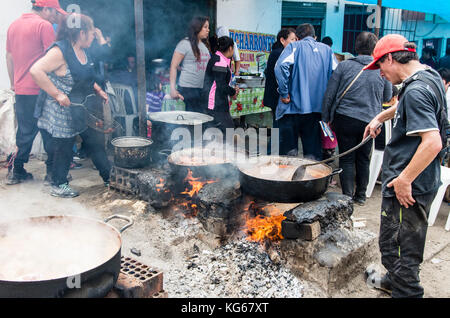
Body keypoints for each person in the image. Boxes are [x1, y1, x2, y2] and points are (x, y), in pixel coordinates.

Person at [363, 34, 446, 298]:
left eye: (380, 66)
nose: (381, 74)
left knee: (397, 248)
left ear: (390, 57)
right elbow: (404, 105)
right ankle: (392, 281)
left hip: (409, 187)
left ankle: (406, 291)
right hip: (425, 180)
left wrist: (403, 180)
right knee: (405, 245)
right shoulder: (428, 75)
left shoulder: (417, 90)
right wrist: (380, 116)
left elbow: (432, 143)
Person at [30, 13, 111, 198]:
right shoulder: (60, 51)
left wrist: (98, 89)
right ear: (81, 33)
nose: (93, 36)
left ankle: (109, 177)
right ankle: (59, 184)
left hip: (80, 104)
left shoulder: (83, 49)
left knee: (94, 141)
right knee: (64, 146)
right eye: (91, 33)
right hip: (61, 108)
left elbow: (84, 74)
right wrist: (58, 94)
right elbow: (36, 71)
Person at [322, 32, 393, 205]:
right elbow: (388, 95)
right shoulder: (381, 68)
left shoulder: (344, 66)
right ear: (374, 49)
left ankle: (347, 197)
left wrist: (325, 117)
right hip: (369, 121)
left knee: (346, 158)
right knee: (363, 158)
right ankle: (361, 196)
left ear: (356, 47)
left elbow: (330, 94)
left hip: (344, 118)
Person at [5, 0, 63, 185]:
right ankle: (52, 174)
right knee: (49, 131)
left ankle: (16, 171)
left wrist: (14, 83)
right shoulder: (43, 25)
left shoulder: (13, 25)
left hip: (22, 89)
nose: (55, 17)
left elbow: (9, 56)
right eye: (54, 13)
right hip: (41, 88)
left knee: (24, 132)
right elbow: (52, 57)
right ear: (45, 9)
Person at [274, 23, 334, 160]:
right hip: (316, 111)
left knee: (288, 155)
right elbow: (336, 75)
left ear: (298, 37)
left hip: (291, 109)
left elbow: (280, 66)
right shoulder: (328, 50)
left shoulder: (294, 47)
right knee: (312, 153)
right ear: (315, 37)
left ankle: (287, 180)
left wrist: (284, 93)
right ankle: (312, 181)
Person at [170, 16, 211, 113]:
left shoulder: (204, 45)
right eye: (205, 27)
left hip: (201, 88)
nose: (208, 30)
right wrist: (172, 89)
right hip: (188, 88)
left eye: (208, 27)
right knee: (194, 119)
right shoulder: (184, 44)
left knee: (199, 118)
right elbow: (173, 66)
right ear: (197, 27)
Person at [202, 36, 239, 135]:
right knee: (227, 129)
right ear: (231, 48)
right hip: (215, 102)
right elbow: (221, 85)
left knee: (216, 131)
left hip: (217, 101)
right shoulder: (219, 61)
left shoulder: (219, 58)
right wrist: (233, 91)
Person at [263, 28, 297, 118]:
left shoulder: (278, 52)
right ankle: (275, 133)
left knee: (277, 121)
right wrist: (285, 94)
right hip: (277, 95)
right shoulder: (280, 53)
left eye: (296, 39)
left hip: (276, 95)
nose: (295, 42)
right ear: (282, 40)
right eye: (292, 39)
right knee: (278, 122)